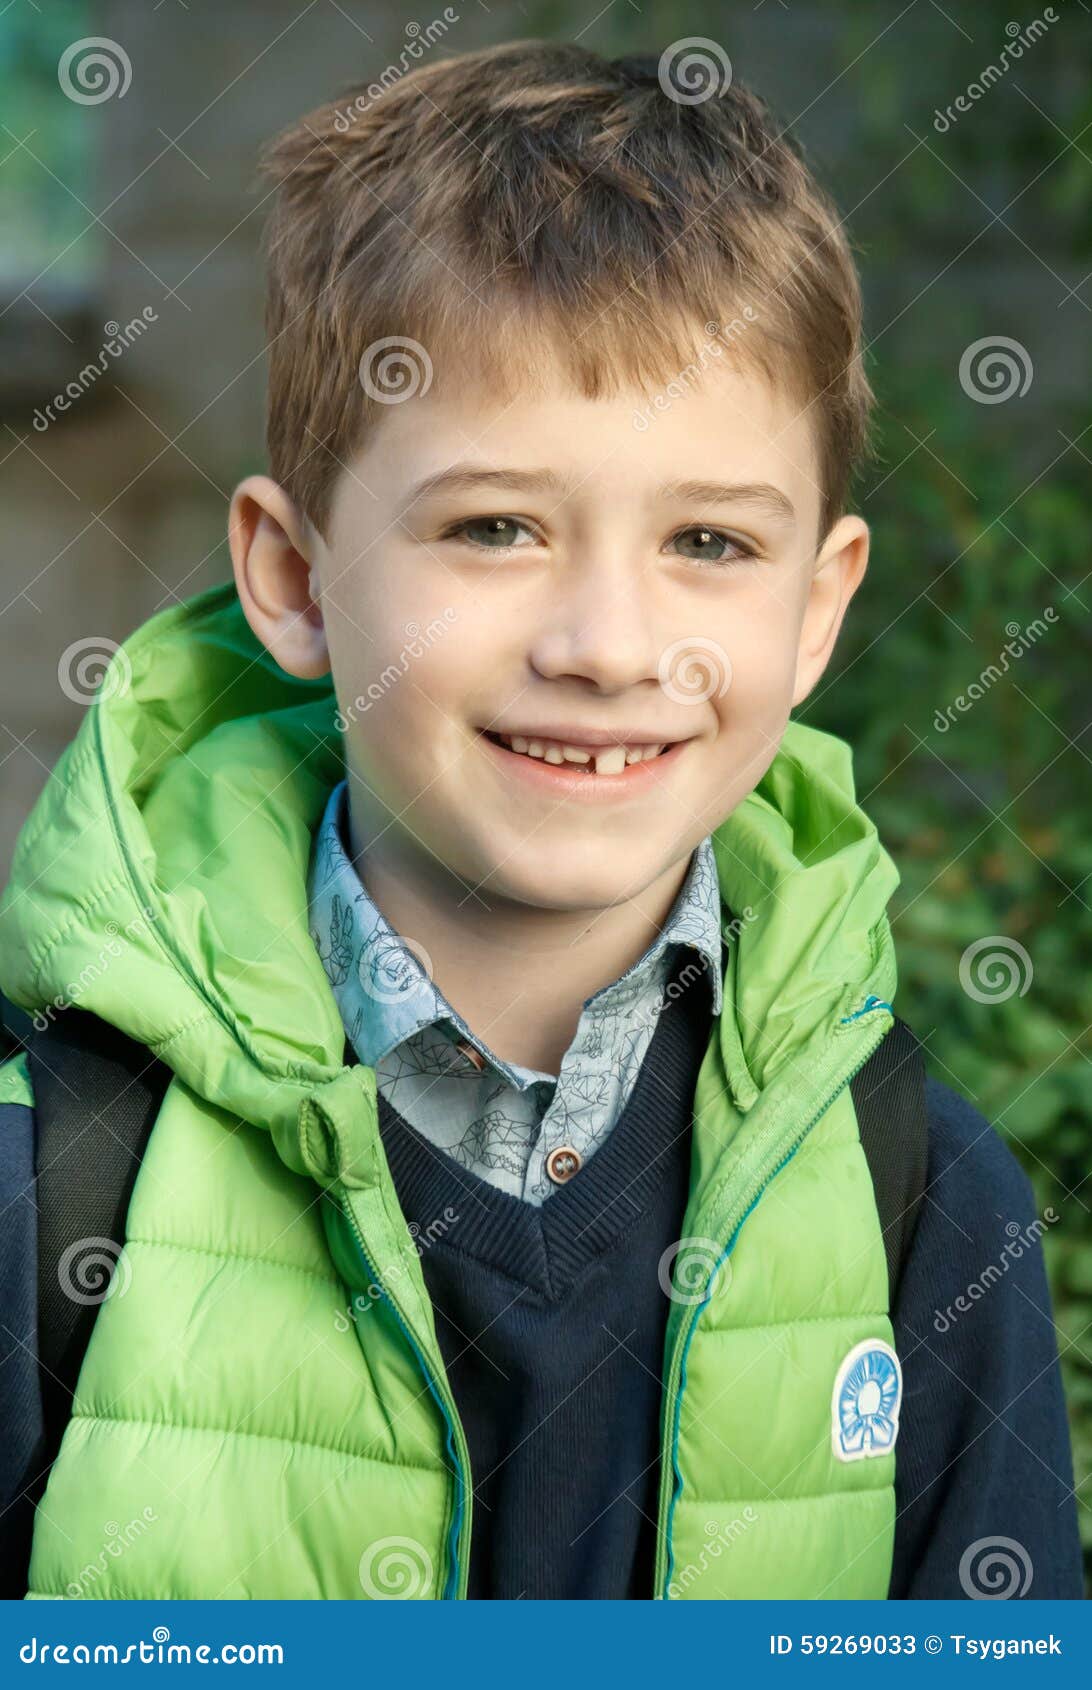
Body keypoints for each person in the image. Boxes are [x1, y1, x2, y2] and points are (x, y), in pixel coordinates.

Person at [0, 40, 1082, 1601]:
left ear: (816, 611)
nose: (608, 645)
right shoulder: (57, 1184)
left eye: (709, 540)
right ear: (296, 581)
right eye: (495, 526)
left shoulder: (916, 1195)